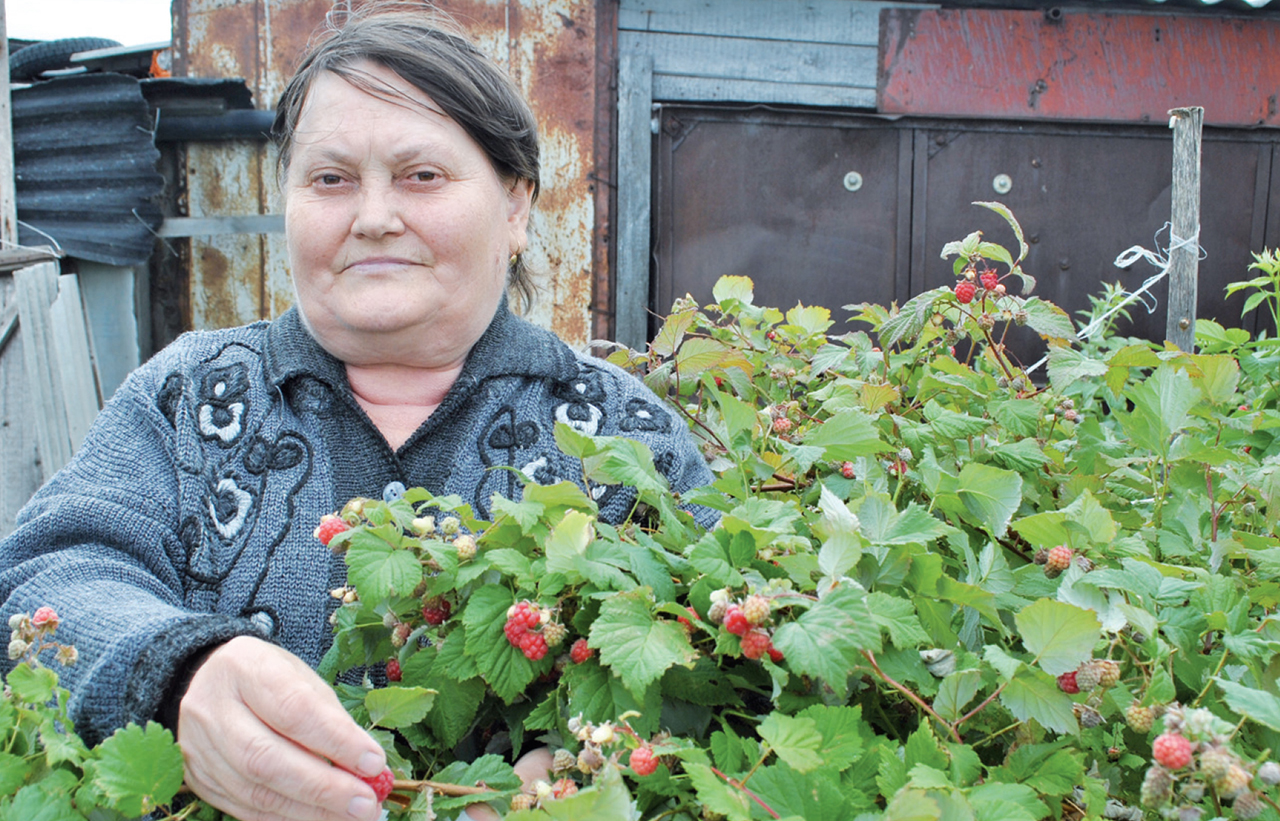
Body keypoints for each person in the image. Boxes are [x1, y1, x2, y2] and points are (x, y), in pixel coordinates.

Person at [0, 7, 715, 821]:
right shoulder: (189, 394)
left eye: (421, 175)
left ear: (515, 207)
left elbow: (708, 653)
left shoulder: (622, 433)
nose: (373, 216)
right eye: (331, 179)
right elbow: (48, 571)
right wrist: (175, 674)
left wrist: (592, 761)